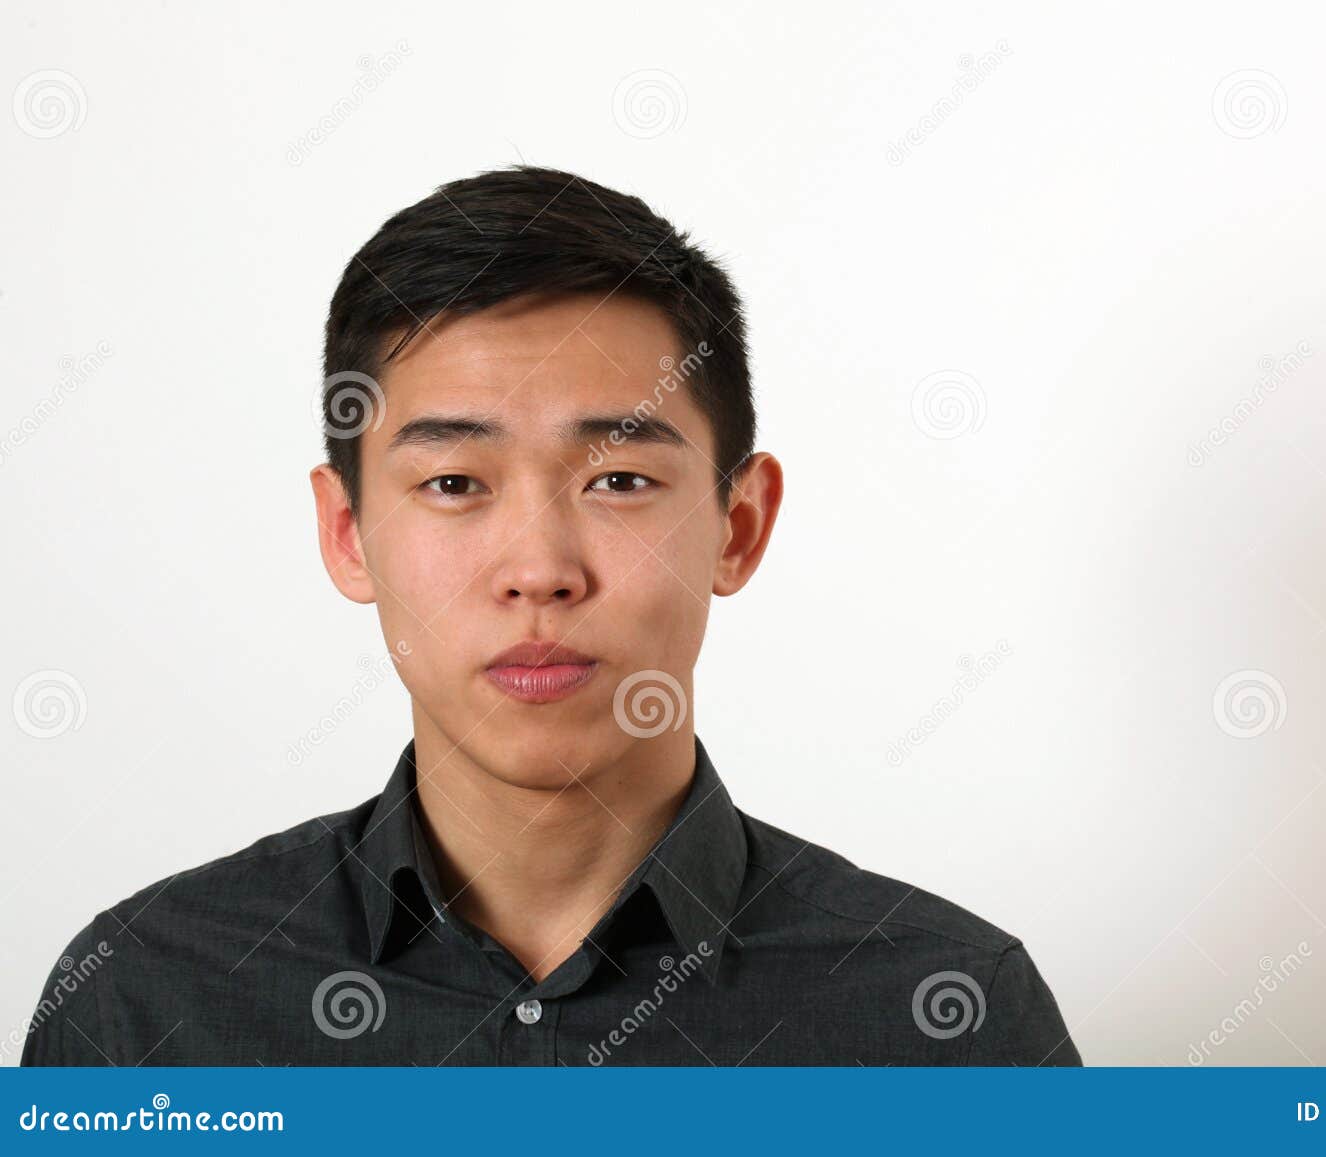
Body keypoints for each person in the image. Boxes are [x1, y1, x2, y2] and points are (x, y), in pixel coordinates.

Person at [21, 166, 1082, 1066]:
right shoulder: (145, 1004)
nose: (539, 569)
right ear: (348, 531)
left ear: (738, 525)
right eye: (452, 482)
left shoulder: (948, 1016)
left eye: (618, 478)